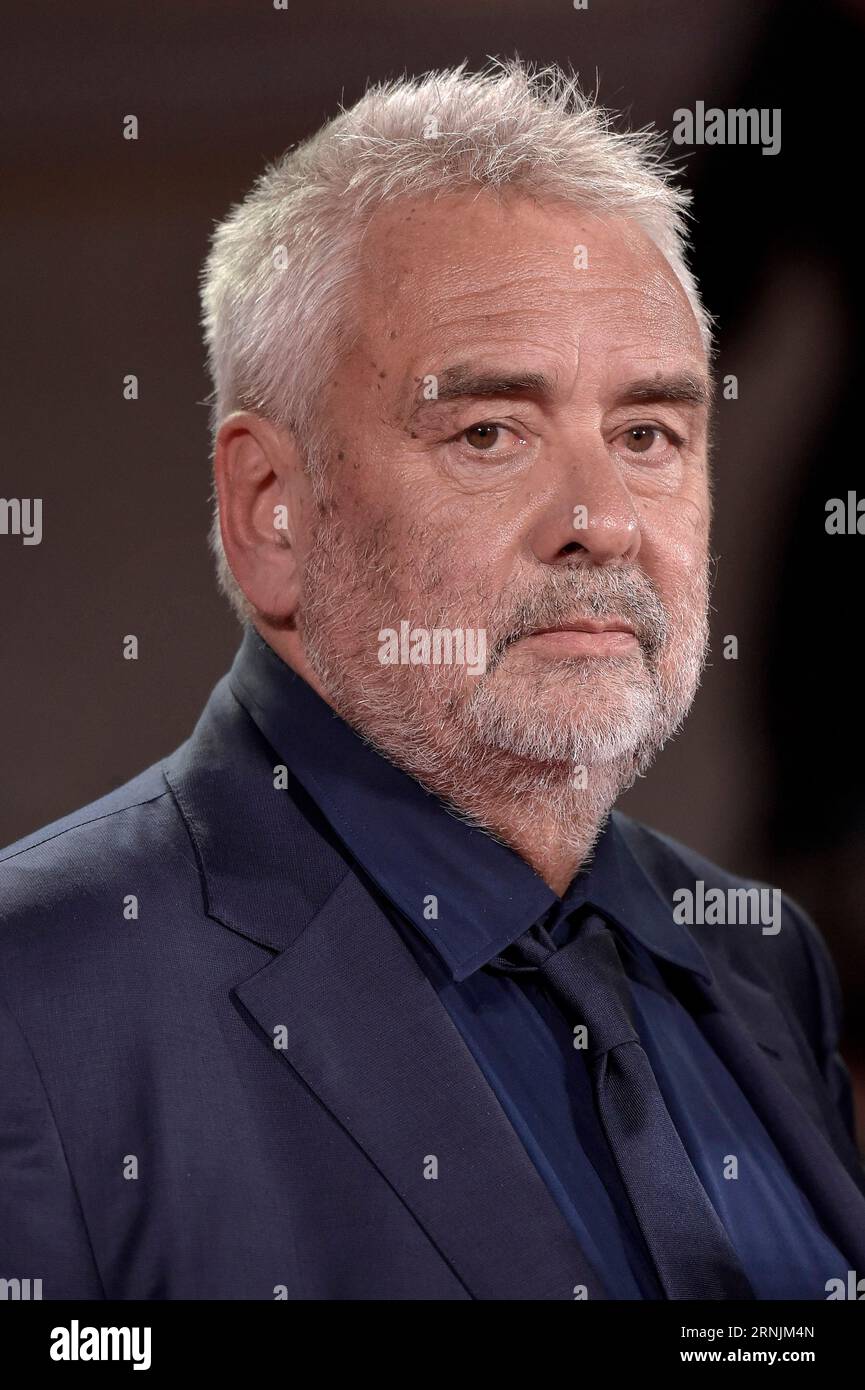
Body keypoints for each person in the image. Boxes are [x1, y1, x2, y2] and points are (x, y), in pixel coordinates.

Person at [2, 59, 863, 1301]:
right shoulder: (37, 1002)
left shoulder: (762, 961)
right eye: (487, 434)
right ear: (272, 511)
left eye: (647, 435)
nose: (600, 521)